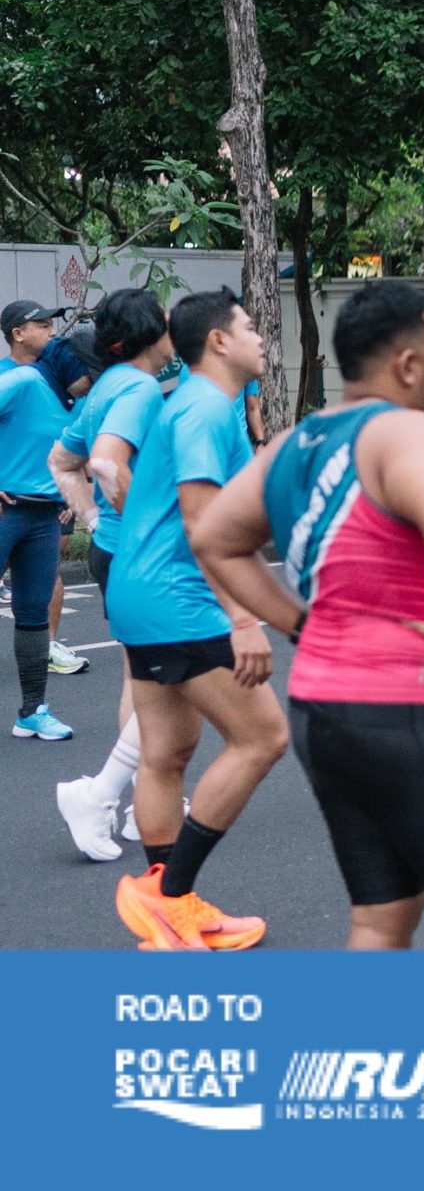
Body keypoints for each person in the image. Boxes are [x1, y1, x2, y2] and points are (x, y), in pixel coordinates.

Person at [192, 280, 424, 950]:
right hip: (416, 706)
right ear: (407, 365)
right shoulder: (402, 428)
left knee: (380, 916)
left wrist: (299, 625)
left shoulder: (293, 443)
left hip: (325, 708)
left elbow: (213, 539)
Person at [106, 289, 285, 951]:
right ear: (218, 340)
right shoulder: (208, 406)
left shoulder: (196, 401)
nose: (260, 336)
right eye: (249, 326)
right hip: (179, 598)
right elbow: (204, 522)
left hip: (141, 592)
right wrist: (242, 617)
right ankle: (170, 895)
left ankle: (169, 905)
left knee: (166, 753)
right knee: (263, 737)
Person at [49, 290, 175, 859]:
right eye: (167, 319)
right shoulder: (140, 387)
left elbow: (62, 461)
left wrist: (96, 516)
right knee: (175, 686)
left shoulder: (104, 388)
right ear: (152, 330)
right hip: (141, 555)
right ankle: (102, 794)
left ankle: (134, 802)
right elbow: (101, 461)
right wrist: (136, 519)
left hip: (113, 549)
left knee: (144, 683)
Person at [0, 301, 74, 741]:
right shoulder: (17, 380)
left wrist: (69, 485)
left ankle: (32, 712)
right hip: (7, 512)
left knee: (31, 616)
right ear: (16, 333)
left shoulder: (56, 383)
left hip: (45, 517)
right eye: (41, 325)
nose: (51, 332)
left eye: (52, 324)